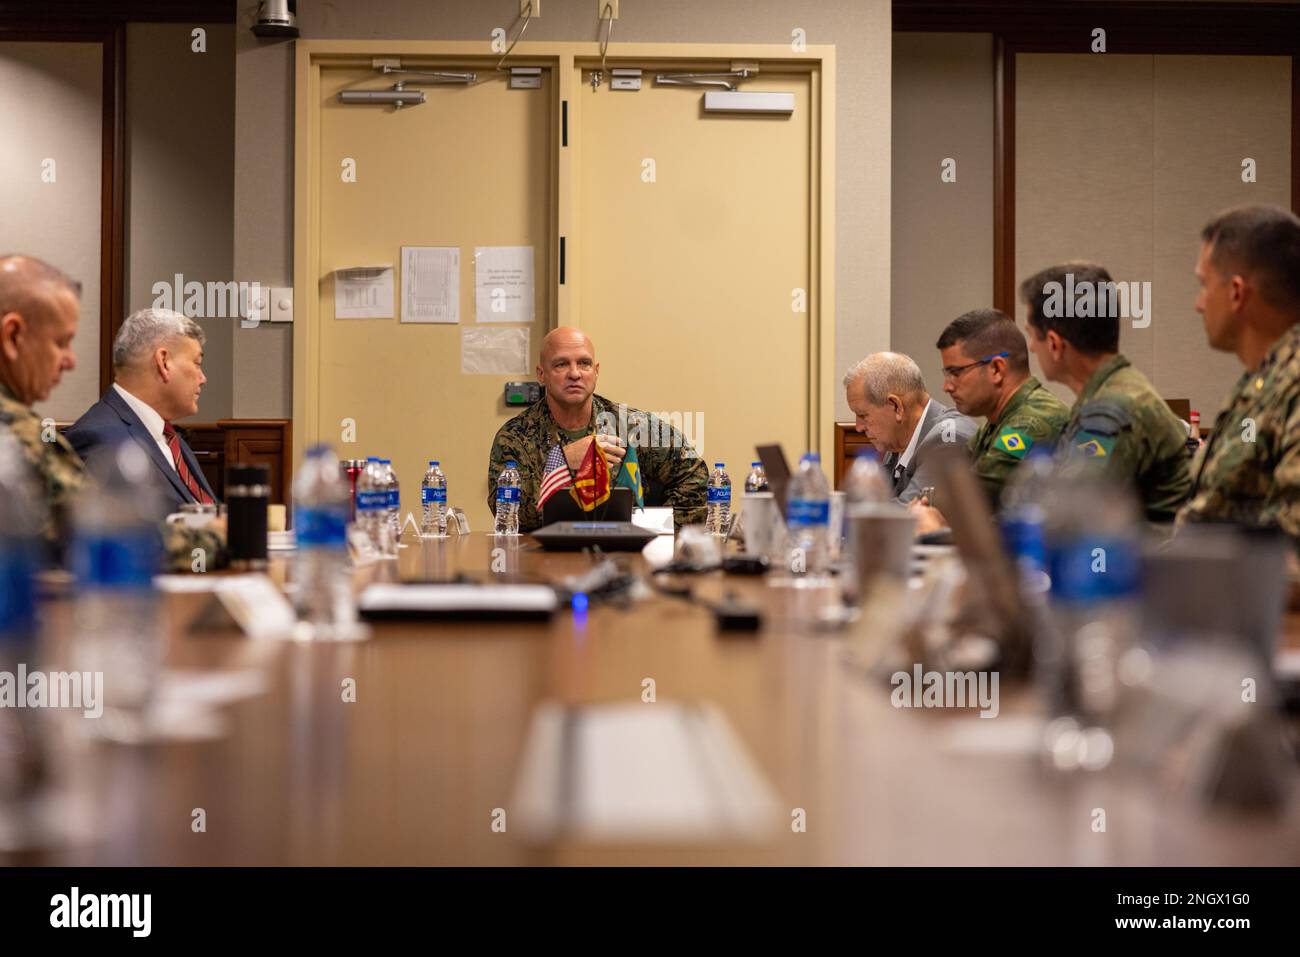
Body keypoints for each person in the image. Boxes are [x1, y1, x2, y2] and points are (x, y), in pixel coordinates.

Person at [0, 254, 222, 570]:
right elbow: (103, 535)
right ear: (12, 336)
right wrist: (221, 538)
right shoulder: (16, 429)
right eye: (60, 342)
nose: (70, 361)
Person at [486, 327, 707, 532]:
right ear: (541, 374)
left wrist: (654, 532)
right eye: (561, 364)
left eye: (584, 363)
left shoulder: (632, 426)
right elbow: (506, 513)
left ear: (596, 371)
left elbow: (696, 479)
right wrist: (564, 461)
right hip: (545, 557)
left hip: (623, 556)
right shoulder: (515, 436)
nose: (575, 373)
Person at [1019, 261, 1191, 523]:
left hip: (1140, 561)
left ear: (1054, 344)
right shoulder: (1110, 392)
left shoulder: (1111, 410)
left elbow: (1070, 520)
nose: (1031, 347)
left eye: (1032, 336)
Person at [1179, 204, 1300, 545]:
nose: (1198, 304)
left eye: (1203, 285)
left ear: (1236, 293)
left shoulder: (1292, 383)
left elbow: (1290, 562)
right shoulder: (1259, 381)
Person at [67, 308, 218, 511]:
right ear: (164, 362)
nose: (203, 378)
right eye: (197, 363)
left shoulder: (171, 437)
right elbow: (122, 534)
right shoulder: (99, 438)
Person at [934, 308, 1068, 508]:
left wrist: (935, 503)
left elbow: (974, 498)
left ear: (997, 369)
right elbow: (949, 487)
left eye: (956, 372)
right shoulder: (995, 423)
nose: (947, 386)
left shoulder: (1033, 420)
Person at [842, 351, 976, 503]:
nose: (859, 427)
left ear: (896, 406)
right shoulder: (895, 442)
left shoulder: (948, 439)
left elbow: (906, 516)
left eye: (863, 415)